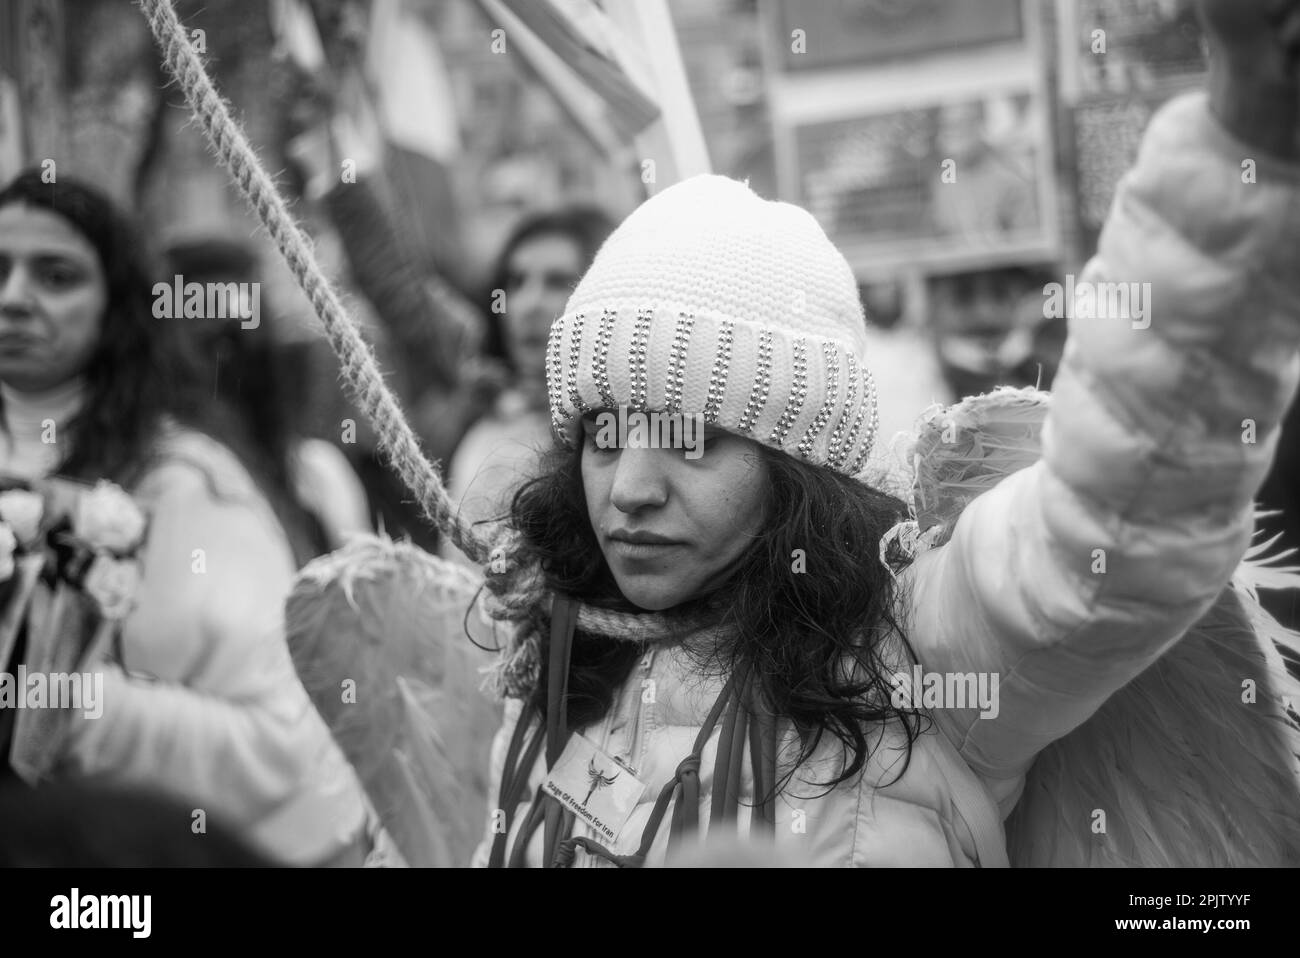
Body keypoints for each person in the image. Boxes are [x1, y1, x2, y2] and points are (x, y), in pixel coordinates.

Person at [473, 0, 1300, 867]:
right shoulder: (561, 656)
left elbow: (1117, 522)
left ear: (802, 468)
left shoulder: (916, 655)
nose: (630, 488)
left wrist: (1239, 144)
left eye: (692, 440)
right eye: (605, 434)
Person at [0, 171, 369, 865]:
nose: (14, 298)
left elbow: (285, 750)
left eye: (55, 275)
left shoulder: (186, 485)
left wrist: (52, 701)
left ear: (118, 312)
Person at [446, 207, 615, 537]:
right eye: (517, 281)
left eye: (557, 282)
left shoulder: (618, 433)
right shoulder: (488, 408)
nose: (528, 304)